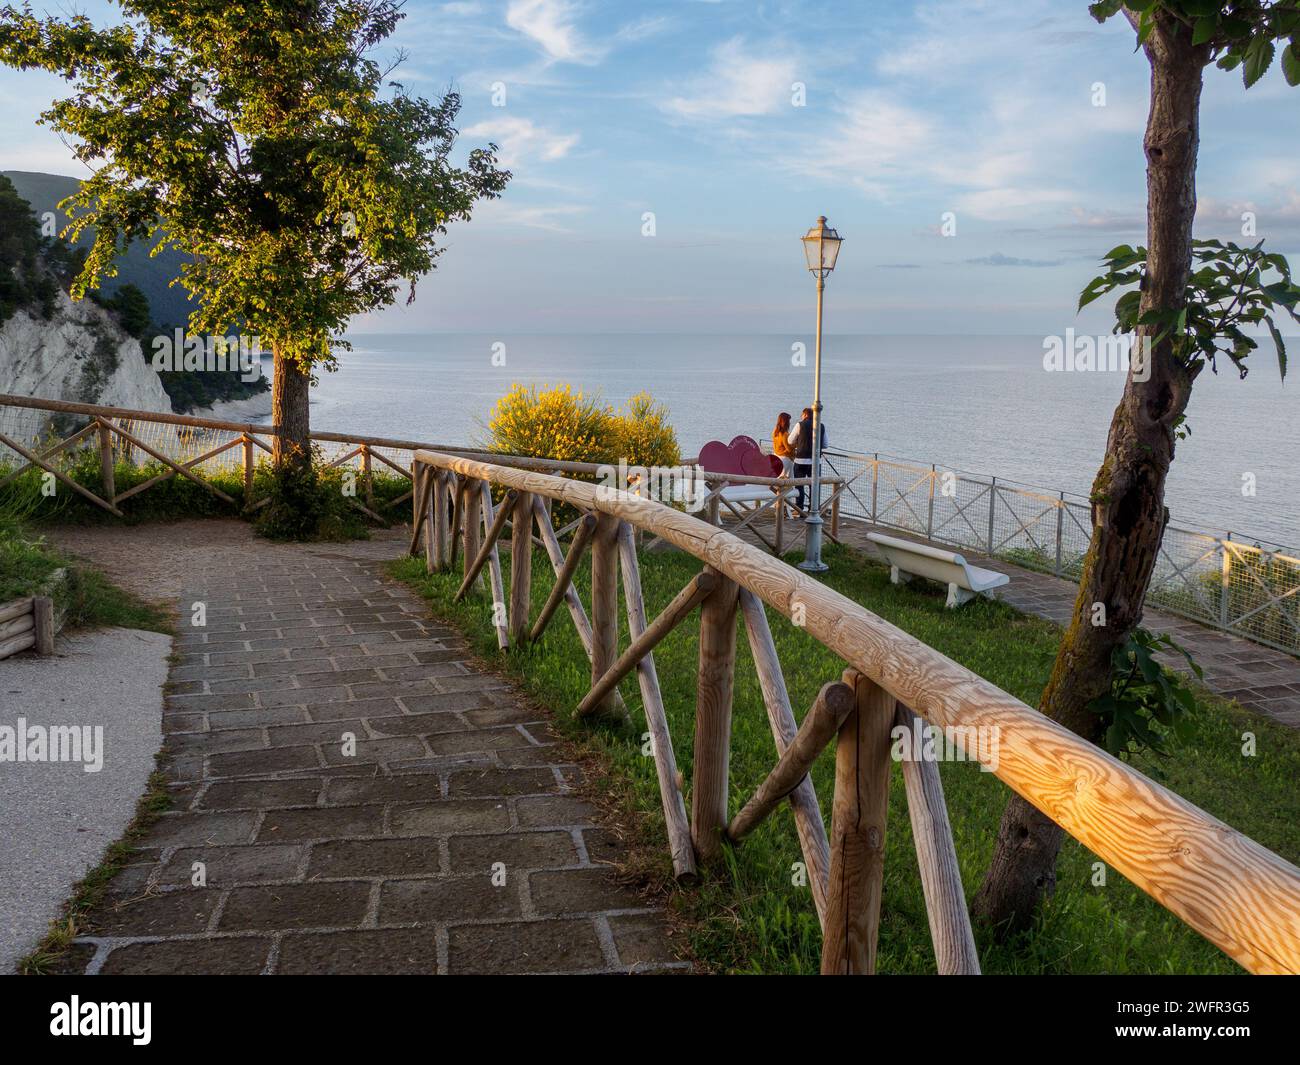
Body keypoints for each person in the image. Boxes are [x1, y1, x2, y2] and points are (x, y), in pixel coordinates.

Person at [788, 406, 827, 514]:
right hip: (815, 462)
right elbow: (825, 444)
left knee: (799, 485)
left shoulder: (799, 425)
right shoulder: (821, 426)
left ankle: (799, 509)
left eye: (802, 414)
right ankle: (813, 509)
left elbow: (790, 441)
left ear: (805, 415)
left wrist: (799, 442)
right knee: (814, 486)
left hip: (800, 460)